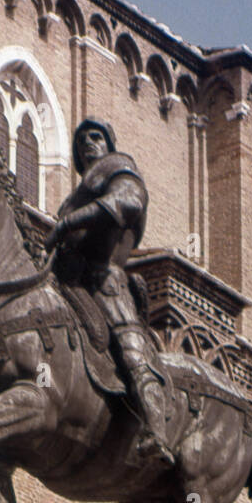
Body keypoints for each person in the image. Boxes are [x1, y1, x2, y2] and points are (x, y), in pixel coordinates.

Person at [45, 117, 174, 469]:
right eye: (82, 139)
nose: (88, 143)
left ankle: (155, 427)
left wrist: (70, 222)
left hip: (106, 281)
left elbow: (129, 202)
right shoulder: (74, 197)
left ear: (108, 144)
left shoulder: (121, 170)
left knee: (131, 350)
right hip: (69, 281)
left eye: (96, 137)